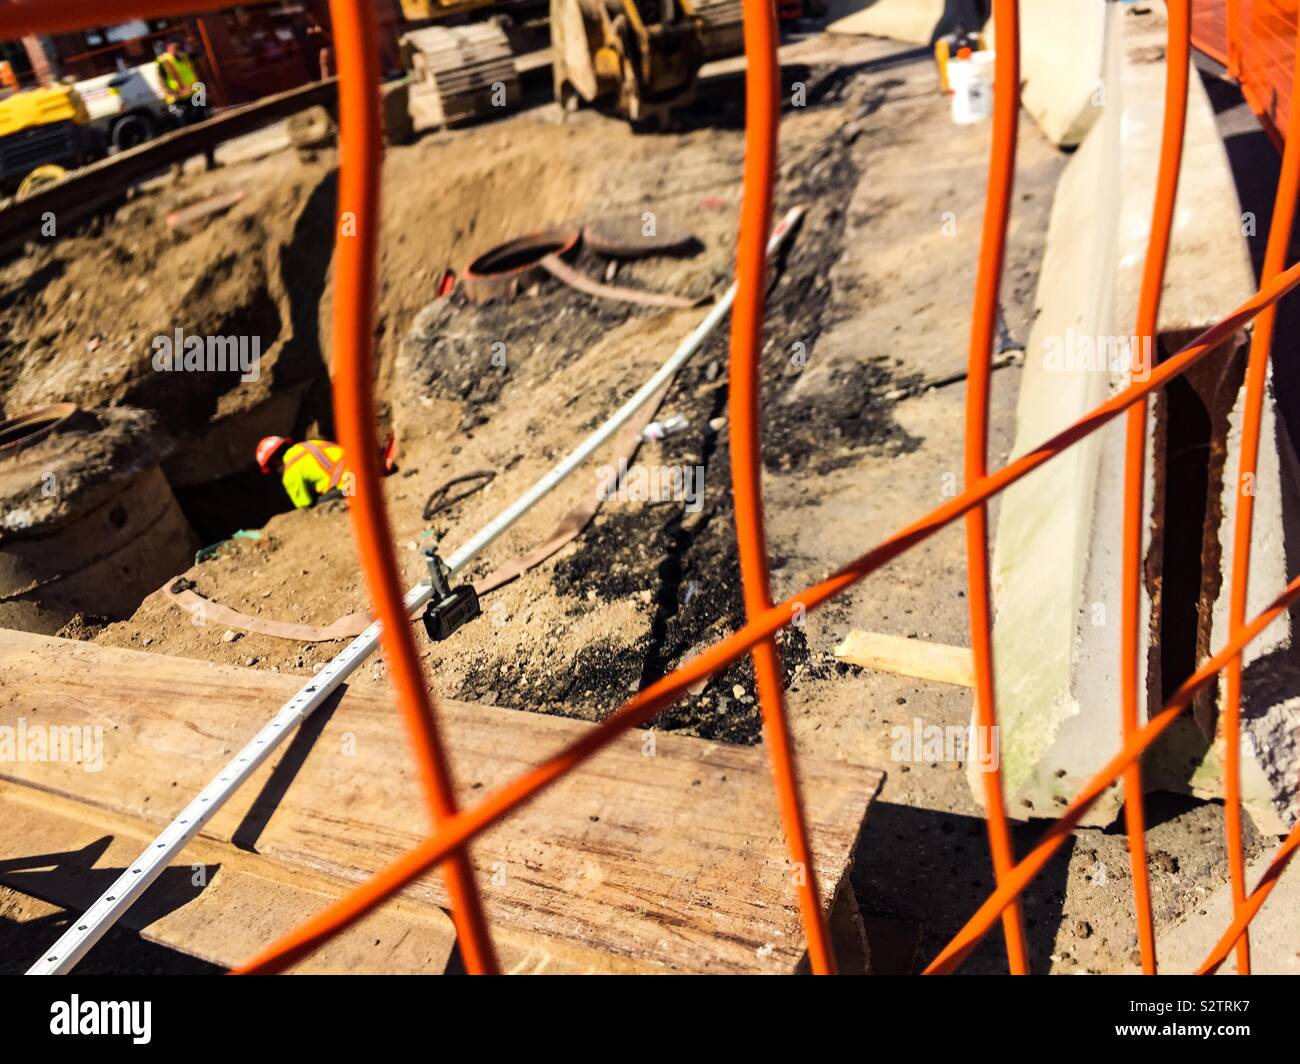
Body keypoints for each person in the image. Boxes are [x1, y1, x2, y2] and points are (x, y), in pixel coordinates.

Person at [156, 38, 216, 167]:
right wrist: (173, 94)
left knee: (204, 129)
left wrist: (194, 45)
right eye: (174, 47)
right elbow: (161, 83)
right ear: (168, 47)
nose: (177, 49)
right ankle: (179, 166)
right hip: (177, 101)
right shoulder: (163, 61)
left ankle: (210, 162)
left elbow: (200, 54)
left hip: (194, 96)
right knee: (185, 133)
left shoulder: (184, 57)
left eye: (178, 46)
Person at [256, 436, 349, 510]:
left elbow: (305, 508)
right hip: (360, 470)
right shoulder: (311, 444)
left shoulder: (290, 471)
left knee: (318, 510)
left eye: (272, 468)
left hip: (348, 487)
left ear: (275, 461)